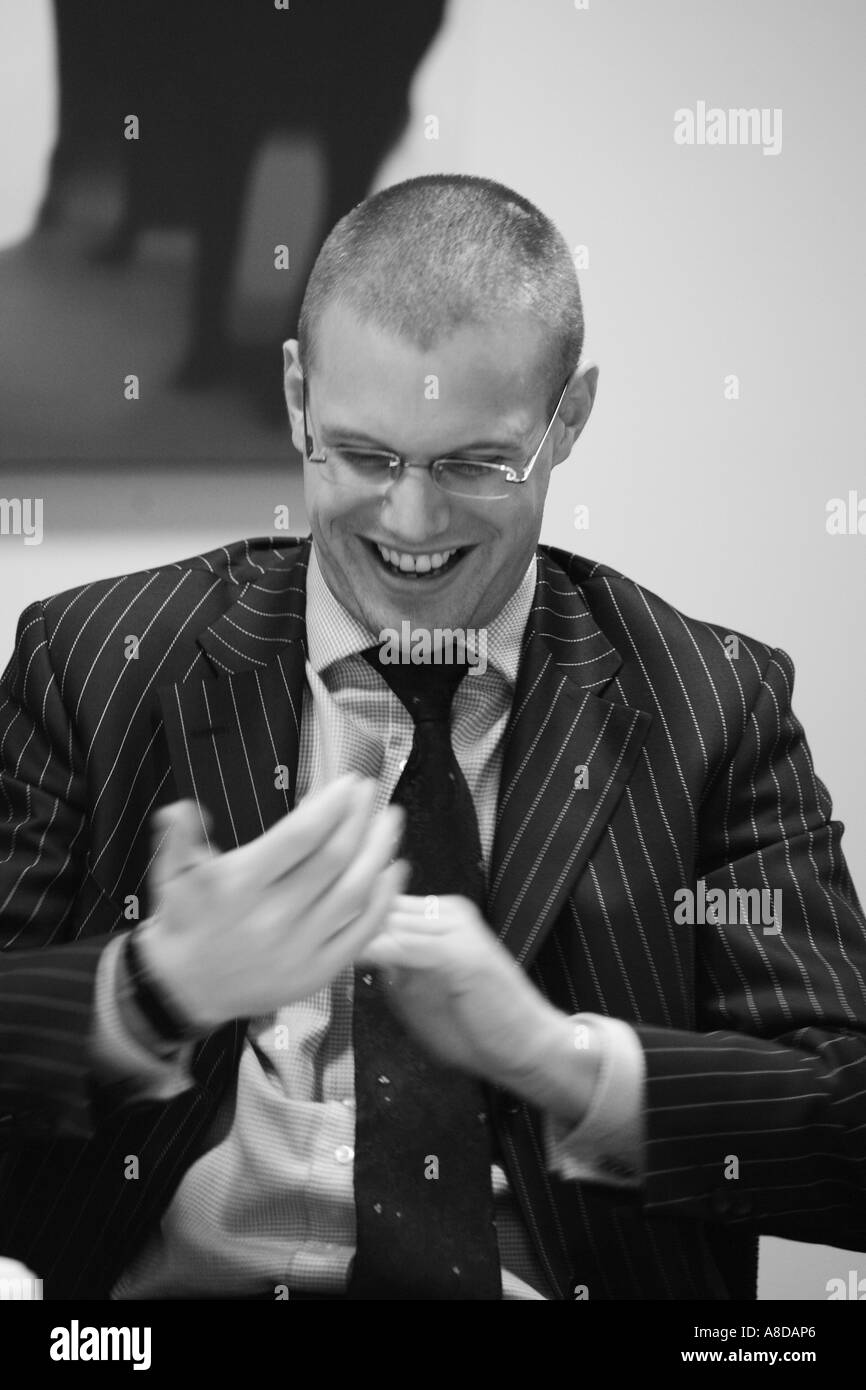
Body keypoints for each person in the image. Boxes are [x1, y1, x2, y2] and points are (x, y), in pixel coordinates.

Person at [1, 174, 864, 1301]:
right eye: (362, 455)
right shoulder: (97, 661)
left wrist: (550, 1057)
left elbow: (844, 1126)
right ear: (298, 395)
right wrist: (152, 986)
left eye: (472, 464)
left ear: (569, 417)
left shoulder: (711, 701)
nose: (410, 521)